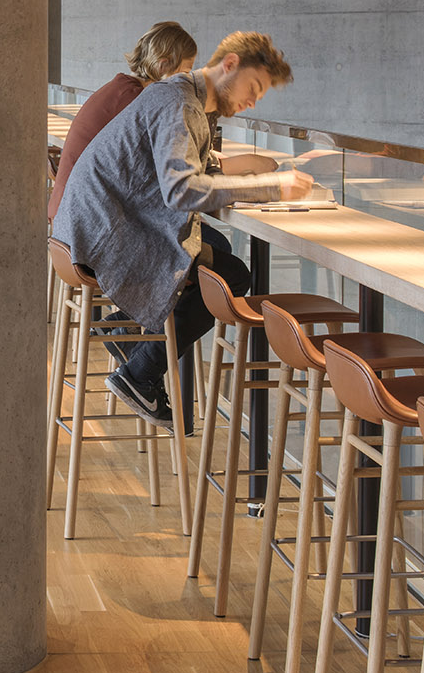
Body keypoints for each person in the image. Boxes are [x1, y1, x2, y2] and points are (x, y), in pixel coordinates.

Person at [51, 31, 314, 427]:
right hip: (105, 236)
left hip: (94, 226)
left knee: (214, 251)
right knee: (230, 274)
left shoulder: (184, 97)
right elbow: (181, 190)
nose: (252, 102)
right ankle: (139, 374)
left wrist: (254, 182)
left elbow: (195, 171)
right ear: (230, 65)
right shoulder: (180, 102)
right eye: (253, 88)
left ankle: (128, 331)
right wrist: (271, 187)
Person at [48, 21, 198, 220]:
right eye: (185, 73)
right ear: (162, 65)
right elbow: (162, 166)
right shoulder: (133, 99)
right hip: (82, 217)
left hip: (74, 209)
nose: (185, 82)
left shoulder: (122, 88)